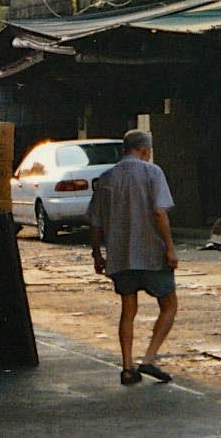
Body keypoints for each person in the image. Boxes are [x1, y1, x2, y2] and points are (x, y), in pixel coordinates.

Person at [88, 129, 178, 386]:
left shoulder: (106, 178)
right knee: (169, 305)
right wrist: (170, 249)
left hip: (120, 256)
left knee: (128, 310)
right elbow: (160, 213)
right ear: (145, 150)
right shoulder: (153, 173)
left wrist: (97, 255)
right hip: (151, 254)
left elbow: (95, 224)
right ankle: (149, 358)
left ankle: (127, 367)